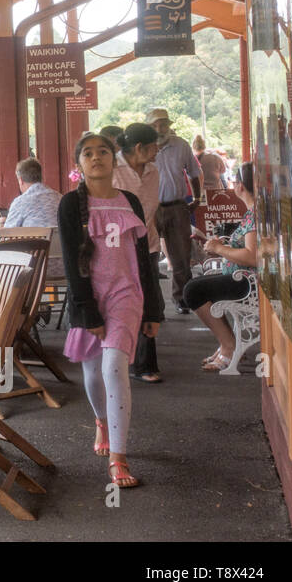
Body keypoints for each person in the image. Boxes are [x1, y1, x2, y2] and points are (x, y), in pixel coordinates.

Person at [58, 132, 164, 489]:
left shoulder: (130, 201)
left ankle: (118, 458)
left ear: (113, 159)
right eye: (88, 153)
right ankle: (102, 420)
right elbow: (74, 263)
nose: (96, 157)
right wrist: (86, 310)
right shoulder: (71, 205)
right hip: (91, 297)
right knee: (91, 372)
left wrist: (153, 308)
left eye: (103, 151)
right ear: (79, 165)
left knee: (114, 366)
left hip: (126, 296)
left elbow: (145, 259)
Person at [188, 163, 258, 371]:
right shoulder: (252, 211)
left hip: (248, 282)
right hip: (240, 275)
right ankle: (226, 343)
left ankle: (229, 346)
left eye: (235, 181)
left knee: (193, 291)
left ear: (240, 186)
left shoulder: (255, 214)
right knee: (195, 285)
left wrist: (219, 249)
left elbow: (252, 256)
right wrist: (221, 247)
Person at [112, 123, 163, 383]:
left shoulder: (153, 171)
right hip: (119, 248)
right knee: (125, 302)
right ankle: (121, 359)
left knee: (149, 301)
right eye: (154, 146)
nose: (158, 150)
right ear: (140, 147)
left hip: (149, 244)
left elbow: (152, 209)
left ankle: (145, 365)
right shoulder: (113, 168)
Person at [147, 108, 201, 314]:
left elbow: (194, 173)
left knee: (181, 256)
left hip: (177, 206)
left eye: (163, 124)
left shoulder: (181, 145)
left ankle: (182, 298)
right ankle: (154, 306)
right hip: (150, 208)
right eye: (155, 125)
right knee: (149, 257)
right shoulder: (143, 148)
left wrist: (197, 198)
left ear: (169, 125)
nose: (160, 129)